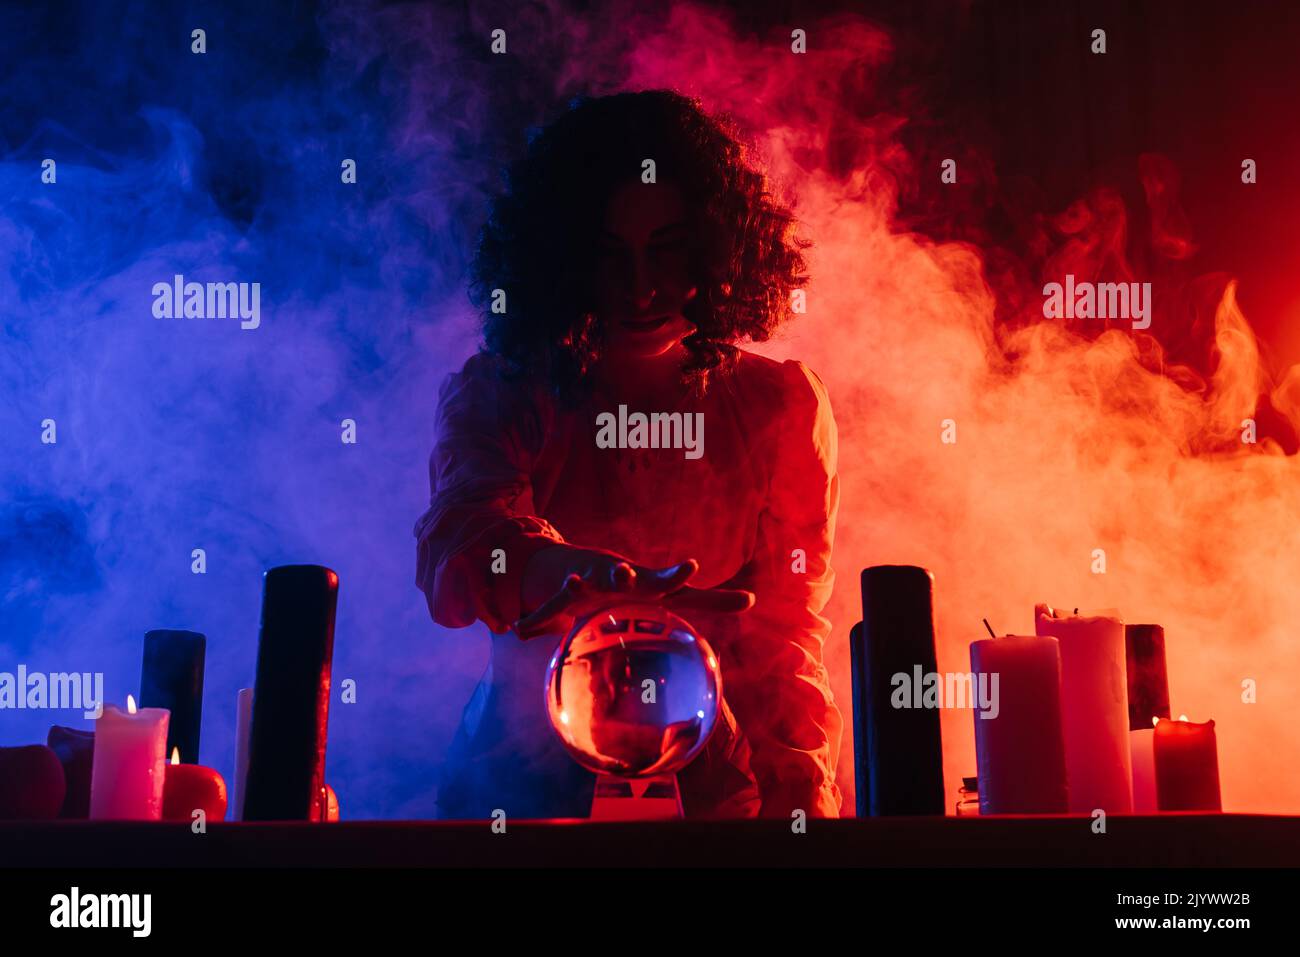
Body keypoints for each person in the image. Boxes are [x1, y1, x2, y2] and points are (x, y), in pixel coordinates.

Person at [415, 90, 843, 819]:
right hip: (519, 805)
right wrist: (577, 574)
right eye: (611, 256)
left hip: (716, 802)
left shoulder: (779, 406)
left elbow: (786, 638)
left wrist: (804, 799)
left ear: (719, 247)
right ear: (564, 262)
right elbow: (457, 549)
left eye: (669, 250)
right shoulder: (506, 393)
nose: (641, 288)